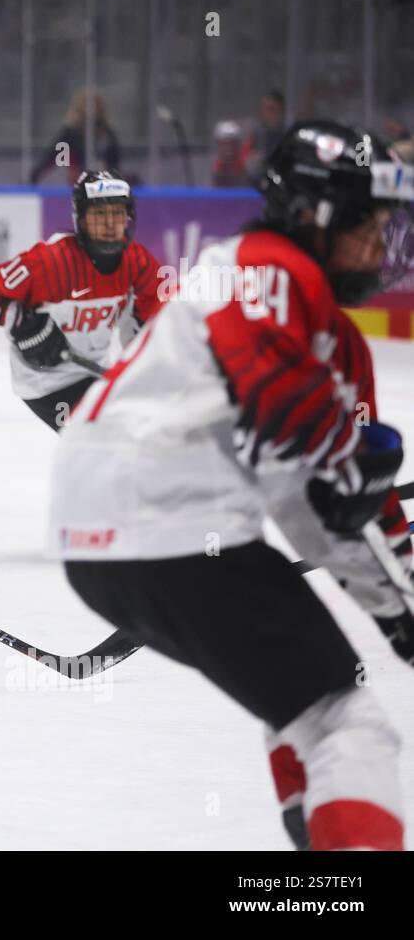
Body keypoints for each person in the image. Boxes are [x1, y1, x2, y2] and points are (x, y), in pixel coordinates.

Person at [48, 120, 414, 849]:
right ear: (314, 212)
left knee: (307, 709)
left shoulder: (301, 313)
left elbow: (310, 501)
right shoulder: (270, 269)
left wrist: (393, 601)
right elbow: (294, 429)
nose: (383, 242)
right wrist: (348, 464)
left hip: (96, 541)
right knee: (350, 724)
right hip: (170, 525)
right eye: (365, 221)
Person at [0, 170, 166, 431]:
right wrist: (24, 325)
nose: (110, 224)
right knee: (109, 439)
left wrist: (145, 363)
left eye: (117, 213)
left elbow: (155, 311)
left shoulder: (137, 262)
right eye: (99, 214)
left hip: (93, 372)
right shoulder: (52, 262)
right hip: (45, 382)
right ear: (81, 219)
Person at [30, 89, 121, 185]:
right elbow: (51, 157)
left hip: (104, 183)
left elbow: (115, 162)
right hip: (78, 182)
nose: (91, 109)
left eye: (94, 105)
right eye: (87, 105)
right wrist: (34, 175)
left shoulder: (106, 133)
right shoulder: (71, 133)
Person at [242, 90, 288, 184]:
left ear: (281, 110)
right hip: (259, 179)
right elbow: (245, 154)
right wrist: (253, 158)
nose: (267, 113)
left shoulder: (287, 132)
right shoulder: (257, 131)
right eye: (264, 109)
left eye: (272, 109)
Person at [211, 119, 247, 188]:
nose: (227, 150)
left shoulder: (246, 171)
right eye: (223, 144)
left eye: (231, 144)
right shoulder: (213, 171)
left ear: (237, 146)